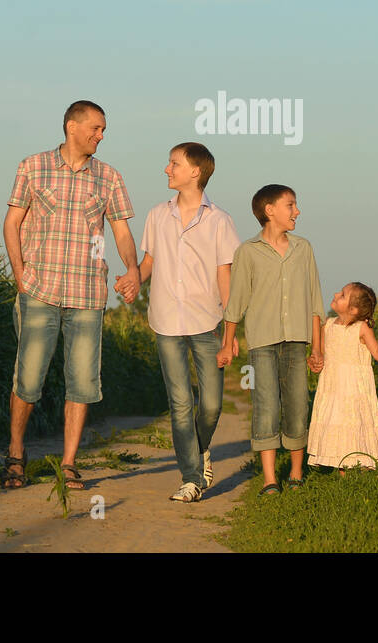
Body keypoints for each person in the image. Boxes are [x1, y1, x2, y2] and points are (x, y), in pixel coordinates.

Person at [0, 100, 140, 490]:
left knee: (81, 382)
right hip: (39, 291)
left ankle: (69, 464)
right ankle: (15, 455)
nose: (100, 135)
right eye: (96, 128)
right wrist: (20, 275)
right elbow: (12, 222)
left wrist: (132, 269)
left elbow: (123, 233)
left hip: (87, 293)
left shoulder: (109, 177)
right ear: (72, 126)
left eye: (103, 130)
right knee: (28, 378)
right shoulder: (32, 166)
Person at [137, 142, 240, 502]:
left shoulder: (219, 220)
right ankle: (192, 479)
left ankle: (200, 448)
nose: (167, 169)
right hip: (164, 321)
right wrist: (134, 277)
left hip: (207, 321)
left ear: (195, 172)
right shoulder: (155, 215)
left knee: (210, 404)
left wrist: (231, 333)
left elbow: (226, 278)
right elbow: (148, 262)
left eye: (174, 163)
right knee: (181, 402)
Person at [218, 184, 324, 496]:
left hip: (297, 341)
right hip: (262, 342)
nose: (297, 211)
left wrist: (318, 346)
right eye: (290, 205)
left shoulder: (303, 248)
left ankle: (295, 471)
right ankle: (269, 479)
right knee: (266, 407)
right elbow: (235, 302)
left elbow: (315, 300)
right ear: (270, 211)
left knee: (296, 406)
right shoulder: (247, 252)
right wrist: (228, 343)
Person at [306, 282, 378, 473]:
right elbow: (320, 355)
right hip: (333, 387)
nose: (336, 294)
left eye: (343, 295)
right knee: (334, 422)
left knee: (353, 423)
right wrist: (315, 362)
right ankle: (341, 468)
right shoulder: (327, 325)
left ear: (353, 309)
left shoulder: (361, 328)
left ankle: (355, 466)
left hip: (354, 389)